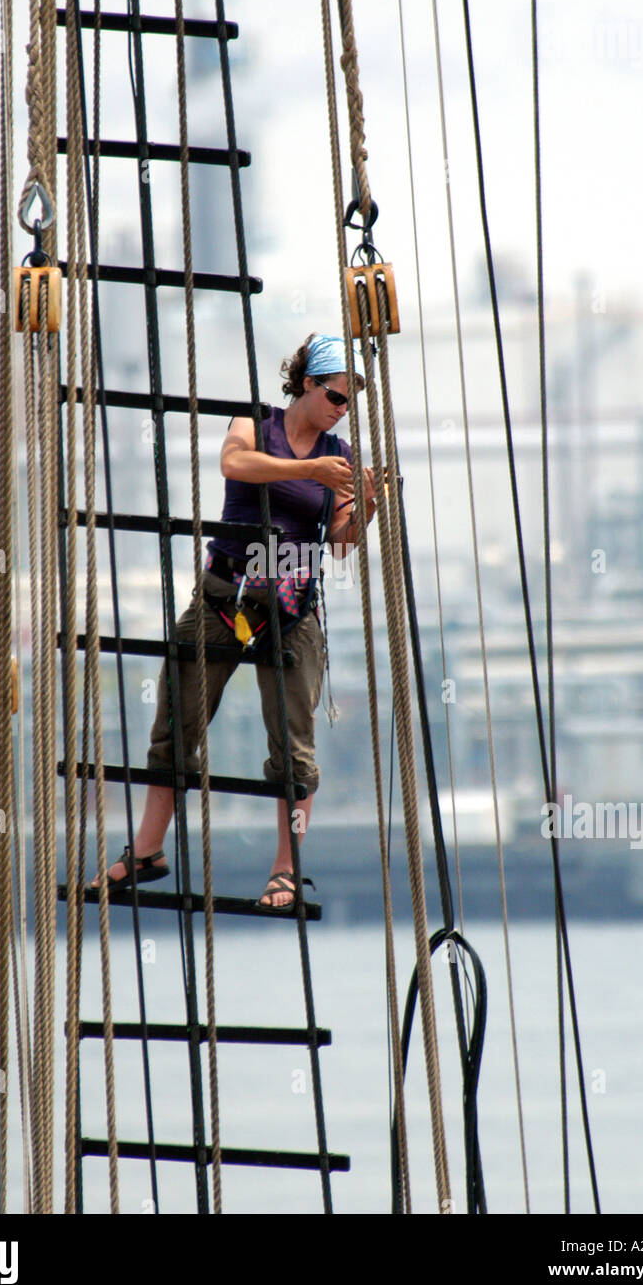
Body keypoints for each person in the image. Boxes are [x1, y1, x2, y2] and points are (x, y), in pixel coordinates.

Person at [91, 333, 377, 910]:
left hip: (294, 609)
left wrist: (366, 503)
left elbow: (342, 544)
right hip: (227, 594)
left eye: (349, 401)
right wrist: (312, 471)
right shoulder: (254, 423)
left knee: (294, 745)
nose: (343, 409)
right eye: (336, 397)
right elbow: (233, 463)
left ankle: (286, 868)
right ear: (306, 384)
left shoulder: (340, 455)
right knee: (177, 721)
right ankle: (147, 850)